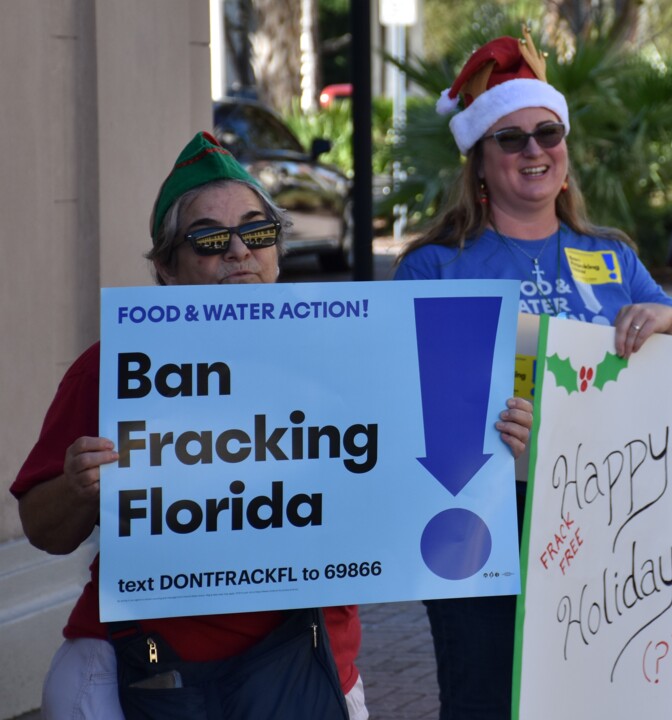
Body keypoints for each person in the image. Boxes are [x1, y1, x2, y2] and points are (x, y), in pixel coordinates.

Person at [11, 133, 531, 719]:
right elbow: (43, 530)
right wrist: (77, 485)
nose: (238, 251)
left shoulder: (361, 353)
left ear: (278, 251)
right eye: (209, 238)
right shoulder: (113, 368)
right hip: (140, 671)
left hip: (308, 667)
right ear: (166, 267)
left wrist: (492, 436)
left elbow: (415, 479)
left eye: (257, 233)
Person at [393, 28, 672, 719]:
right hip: (477, 517)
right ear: (480, 162)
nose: (533, 150)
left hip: (600, 512)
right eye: (510, 139)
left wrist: (669, 320)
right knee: (482, 699)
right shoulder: (434, 265)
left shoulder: (613, 255)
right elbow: (399, 399)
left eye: (547, 133)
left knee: (589, 698)